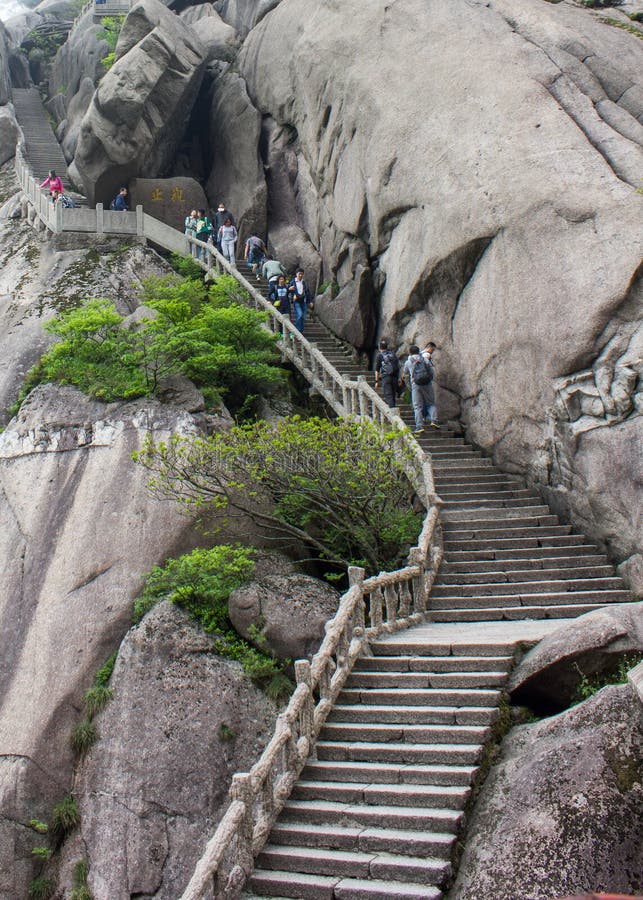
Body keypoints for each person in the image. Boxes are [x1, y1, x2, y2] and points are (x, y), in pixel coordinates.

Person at [403, 344, 436, 435]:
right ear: (419, 351)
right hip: (427, 384)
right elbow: (431, 371)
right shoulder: (424, 359)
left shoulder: (408, 361)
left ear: (410, 352)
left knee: (417, 406)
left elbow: (405, 372)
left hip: (415, 385)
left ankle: (419, 426)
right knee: (431, 403)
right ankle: (433, 420)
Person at [374, 339, 401, 408]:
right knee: (393, 394)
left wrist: (376, 381)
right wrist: (399, 378)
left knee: (388, 395)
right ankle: (394, 409)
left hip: (386, 377)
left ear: (379, 347)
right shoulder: (393, 354)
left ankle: (393, 412)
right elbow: (398, 366)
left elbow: (377, 370)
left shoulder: (380, 356)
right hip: (395, 377)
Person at [288, 269, 312, 333]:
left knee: (303, 317)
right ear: (296, 274)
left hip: (303, 301)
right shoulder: (293, 282)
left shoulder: (304, 282)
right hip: (296, 301)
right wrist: (291, 292)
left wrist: (310, 301)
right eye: (299, 274)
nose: (301, 275)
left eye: (302, 274)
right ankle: (297, 330)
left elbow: (308, 292)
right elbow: (287, 290)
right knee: (300, 314)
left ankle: (301, 330)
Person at [422, 341, 439, 428]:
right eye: (433, 350)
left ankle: (423, 417)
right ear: (430, 347)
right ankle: (432, 419)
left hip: (417, 382)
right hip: (426, 381)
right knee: (430, 401)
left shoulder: (418, 355)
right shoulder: (426, 355)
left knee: (422, 401)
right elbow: (428, 368)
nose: (432, 352)